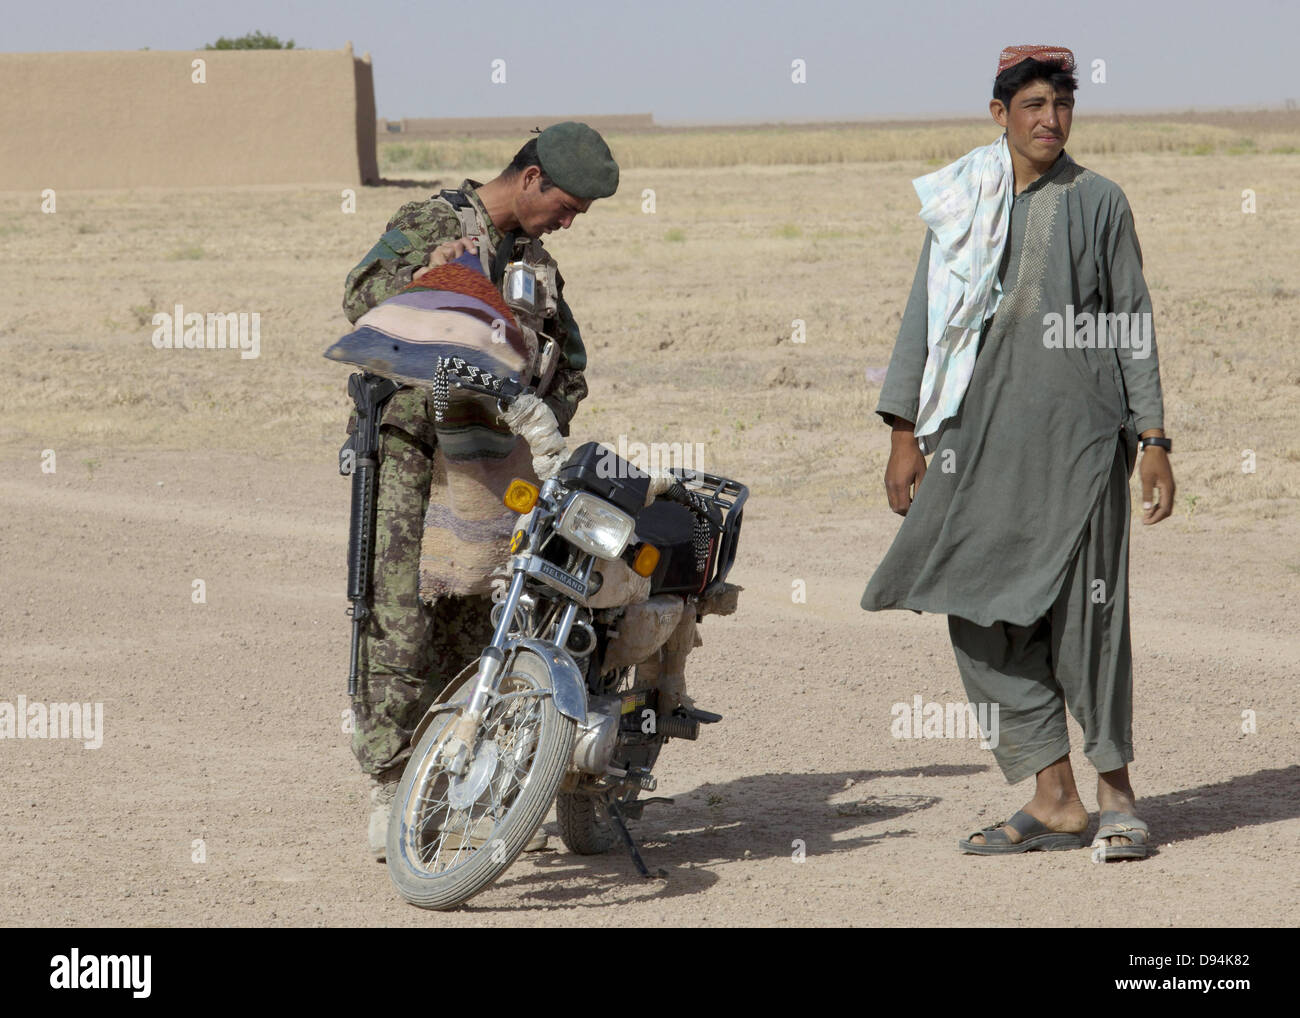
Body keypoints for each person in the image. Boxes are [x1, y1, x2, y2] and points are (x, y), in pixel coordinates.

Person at [860, 46, 1174, 860]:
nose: (1050, 120)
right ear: (999, 113)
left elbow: (1129, 322)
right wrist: (903, 431)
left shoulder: (1099, 202)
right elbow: (924, 314)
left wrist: (1153, 438)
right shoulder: (967, 199)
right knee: (974, 610)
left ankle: (1118, 799)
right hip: (974, 443)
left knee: (1090, 621)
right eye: (1033, 105)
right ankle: (1054, 796)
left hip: (1079, 445)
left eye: (1062, 105)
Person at [339, 122, 619, 860]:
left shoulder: (537, 265)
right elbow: (360, 296)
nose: (568, 221)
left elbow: (573, 364)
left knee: (479, 622)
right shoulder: (433, 222)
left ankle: (454, 775)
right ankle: (389, 783)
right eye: (565, 205)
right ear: (529, 179)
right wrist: (429, 274)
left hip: (496, 466)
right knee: (400, 617)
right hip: (412, 455)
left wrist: (543, 425)